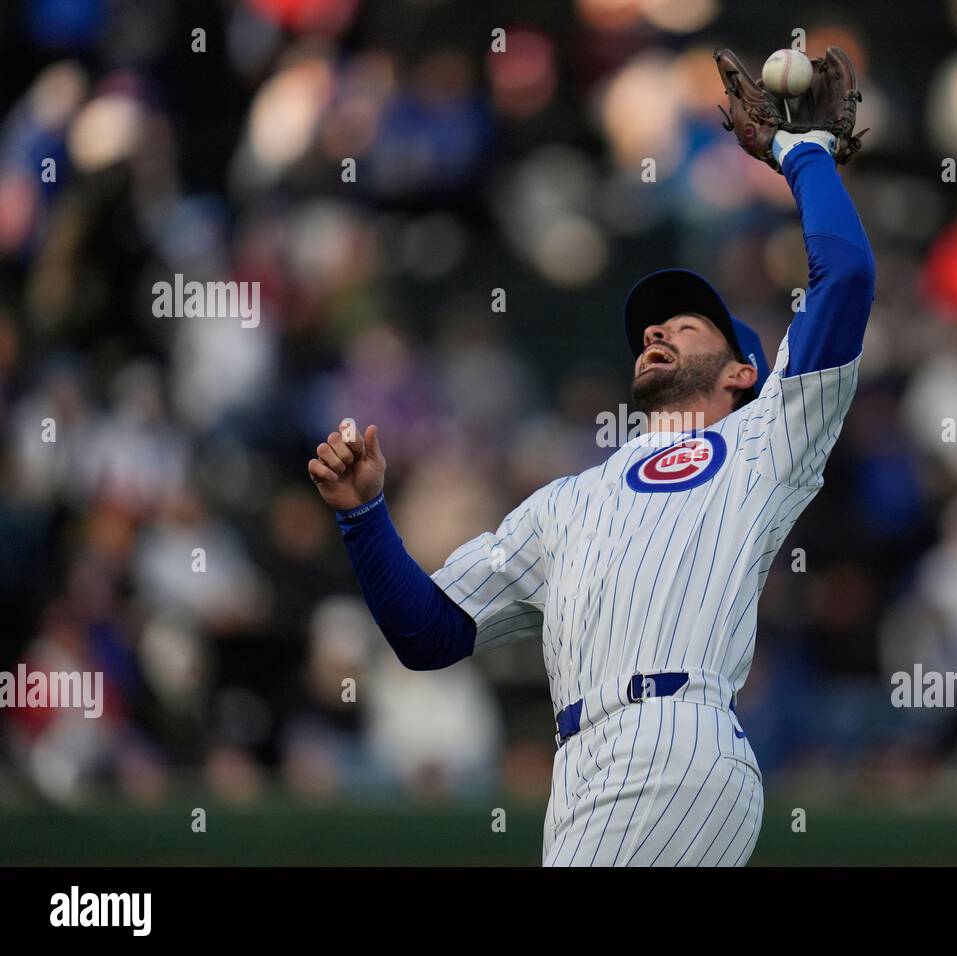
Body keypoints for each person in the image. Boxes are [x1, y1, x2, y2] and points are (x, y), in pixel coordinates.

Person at [308, 48, 876, 865]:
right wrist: (365, 518)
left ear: (744, 370)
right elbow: (427, 633)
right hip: (578, 770)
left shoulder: (765, 438)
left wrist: (803, 154)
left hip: (677, 739)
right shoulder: (565, 504)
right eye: (651, 323)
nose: (656, 329)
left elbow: (846, 276)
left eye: (687, 322)